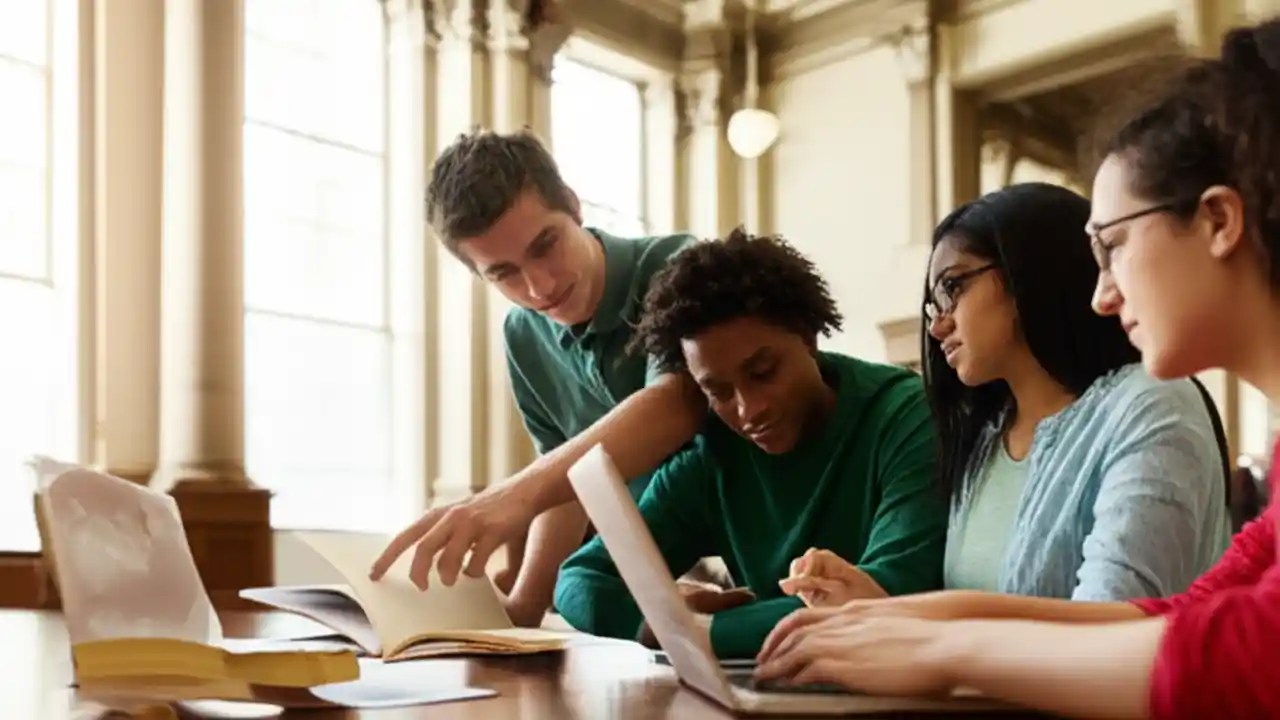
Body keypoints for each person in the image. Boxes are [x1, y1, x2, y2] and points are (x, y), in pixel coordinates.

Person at [754, 18, 1280, 719]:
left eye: (1114, 245)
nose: (1102, 292)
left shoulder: (1144, 404)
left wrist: (947, 651)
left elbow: (1243, 653)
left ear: (1218, 220)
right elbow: (1181, 614)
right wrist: (907, 623)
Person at [778, 183, 1230, 609]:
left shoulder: (1148, 403)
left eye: (953, 288)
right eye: (934, 306)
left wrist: (911, 631)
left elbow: (1111, 630)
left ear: (1030, 269)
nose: (938, 326)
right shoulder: (983, 440)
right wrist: (873, 608)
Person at [369, 129, 712, 626]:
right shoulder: (523, 333)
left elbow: (676, 404)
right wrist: (521, 610)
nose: (539, 286)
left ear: (573, 206)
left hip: (769, 538)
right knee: (582, 597)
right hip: (665, 560)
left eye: (545, 245)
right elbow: (565, 486)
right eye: (504, 273)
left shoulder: (677, 264)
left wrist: (514, 494)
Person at [553, 229, 948, 659]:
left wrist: (697, 631)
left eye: (763, 372)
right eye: (718, 391)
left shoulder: (906, 416)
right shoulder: (714, 455)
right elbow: (579, 578)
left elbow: (889, 590)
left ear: (809, 338)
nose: (748, 410)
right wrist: (650, 624)